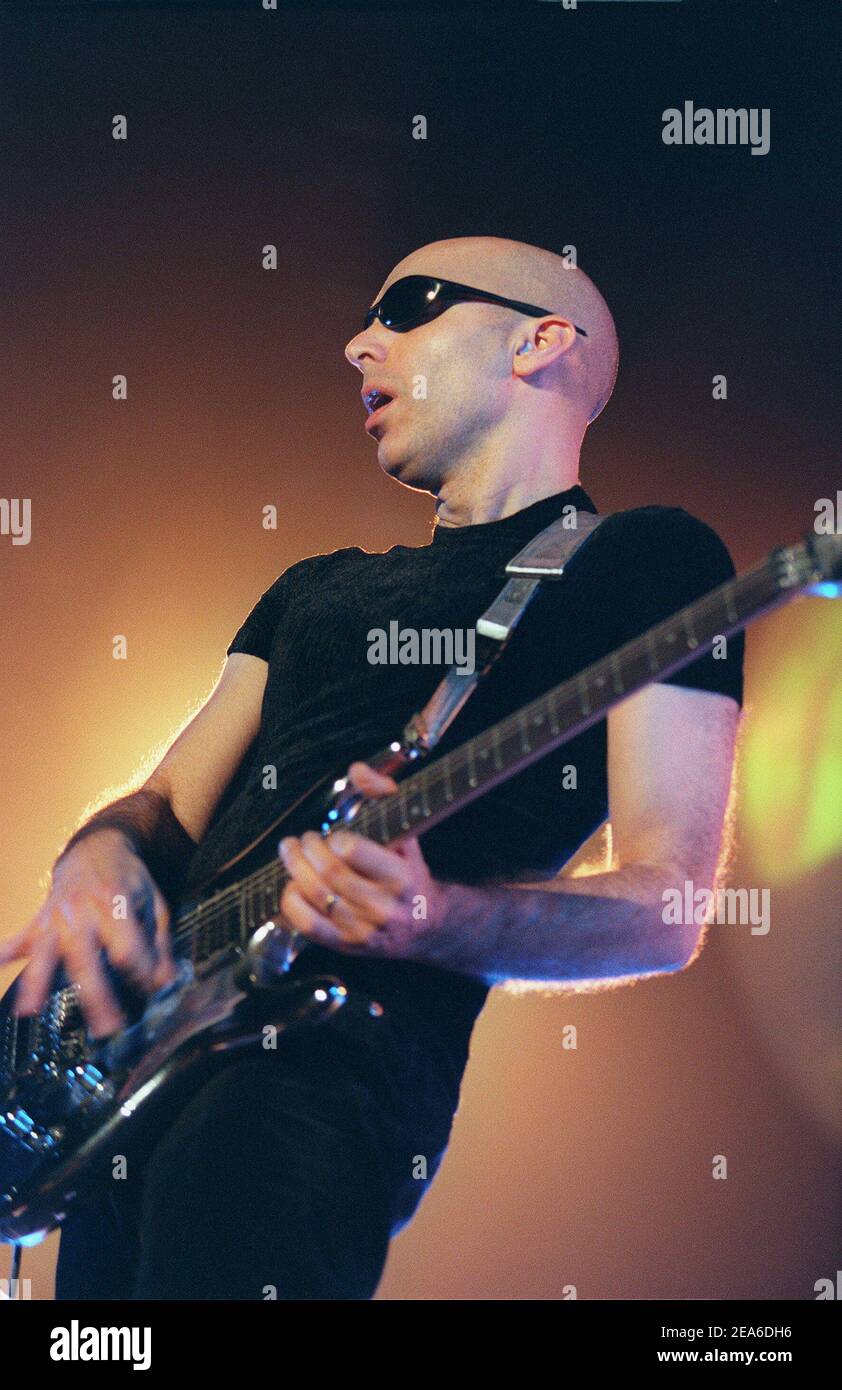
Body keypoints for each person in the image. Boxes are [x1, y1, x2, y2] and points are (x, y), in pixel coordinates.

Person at [0, 236, 744, 1300]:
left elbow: (667, 905)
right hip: (128, 1085)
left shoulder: (644, 560)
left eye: (407, 309)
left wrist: (436, 919)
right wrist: (94, 857)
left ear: (538, 341)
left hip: (313, 1072)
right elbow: (167, 800)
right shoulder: (312, 588)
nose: (359, 343)